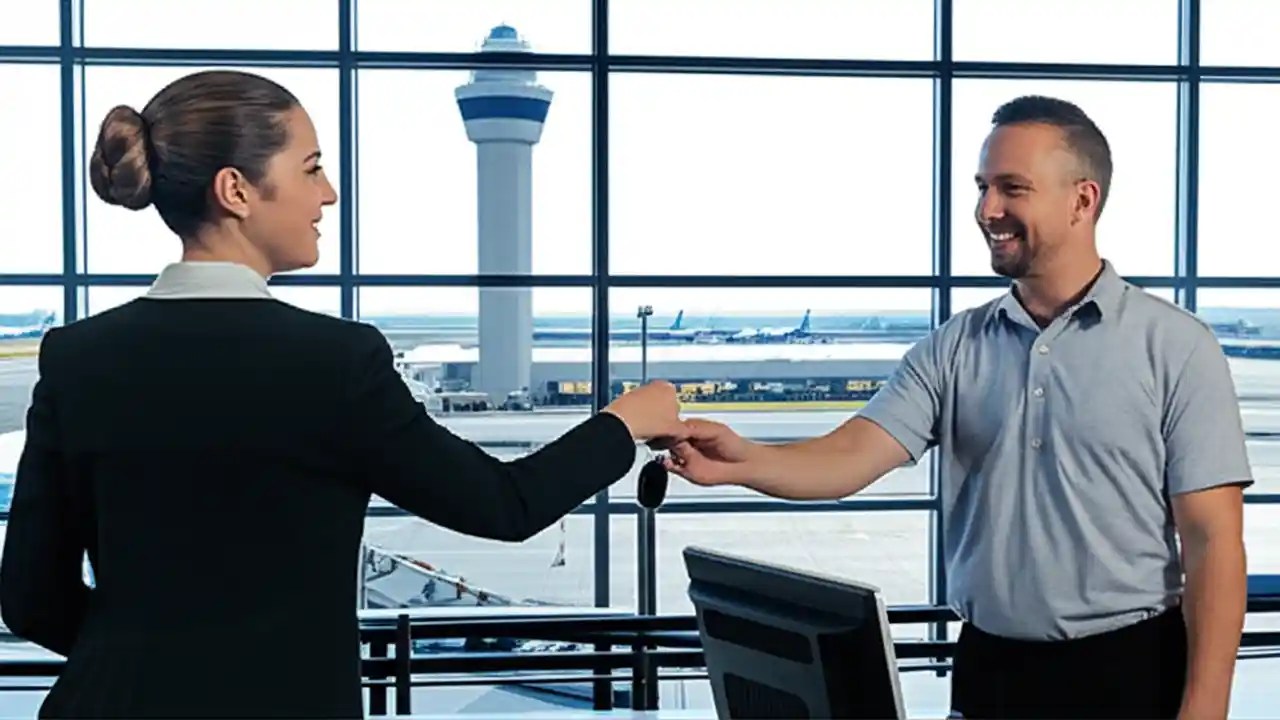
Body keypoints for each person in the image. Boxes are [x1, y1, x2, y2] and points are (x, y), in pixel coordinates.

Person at [0, 69, 685, 719]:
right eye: (311, 168)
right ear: (236, 190)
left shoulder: (76, 359)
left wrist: (155, 662)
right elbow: (504, 505)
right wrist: (623, 423)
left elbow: (31, 600)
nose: (328, 194)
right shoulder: (335, 362)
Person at [666, 96, 1251, 719]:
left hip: (1129, 673)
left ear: (1083, 200)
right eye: (982, 188)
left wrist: (1205, 708)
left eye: (1011, 188)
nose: (986, 210)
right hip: (988, 671)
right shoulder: (954, 346)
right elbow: (853, 454)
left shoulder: (1176, 347)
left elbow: (1214, 542)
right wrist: (745, 461)